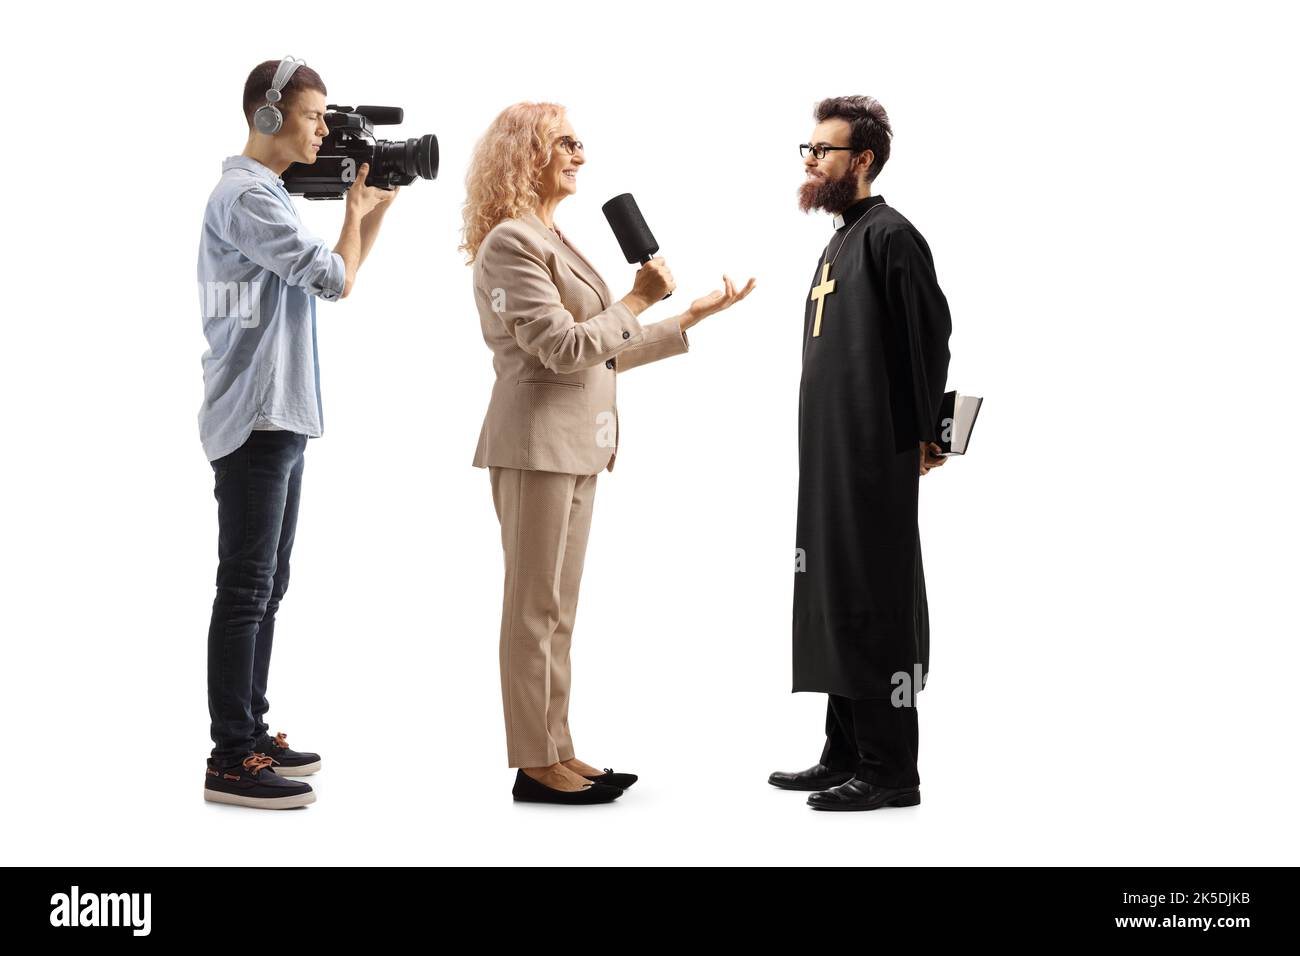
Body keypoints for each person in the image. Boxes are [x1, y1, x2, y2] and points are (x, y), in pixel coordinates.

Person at [462, 102, 755, 805]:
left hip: (579, 446)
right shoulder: (511, 242)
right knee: (532, 610)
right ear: (524, 153)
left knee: (557, 610)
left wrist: (684, 317)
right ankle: (535, 763)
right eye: (563, 142)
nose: (580, 154)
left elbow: (602, 352)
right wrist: (636, 296)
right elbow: (561, 347)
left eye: (580, 142)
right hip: (535, 445)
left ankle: (558, 749)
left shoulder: (553, 235)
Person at [198, 57, 398, 809]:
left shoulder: (265, 197)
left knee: (267, 584)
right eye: (315, 117)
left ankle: (250, 732)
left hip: (277, 412)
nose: (325, 130)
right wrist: (352, 213)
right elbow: (331, 277)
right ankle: (230, 755)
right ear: (271, 117)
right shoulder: (248, 197)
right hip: (255, 412)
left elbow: (339, 277)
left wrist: (372, 209)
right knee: (246, 587)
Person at [768, 95, 952, 811]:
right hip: (831, 455)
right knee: (834, 595)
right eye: (807, 149)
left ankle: (889, 770)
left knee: (873, 602)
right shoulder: (841, 237)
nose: (812, 160)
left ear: (863, 159)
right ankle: (844, 750)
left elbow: (925, 335)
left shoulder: (891, 236)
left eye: (825, 150)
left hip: (874, 454)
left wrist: (923, 434)